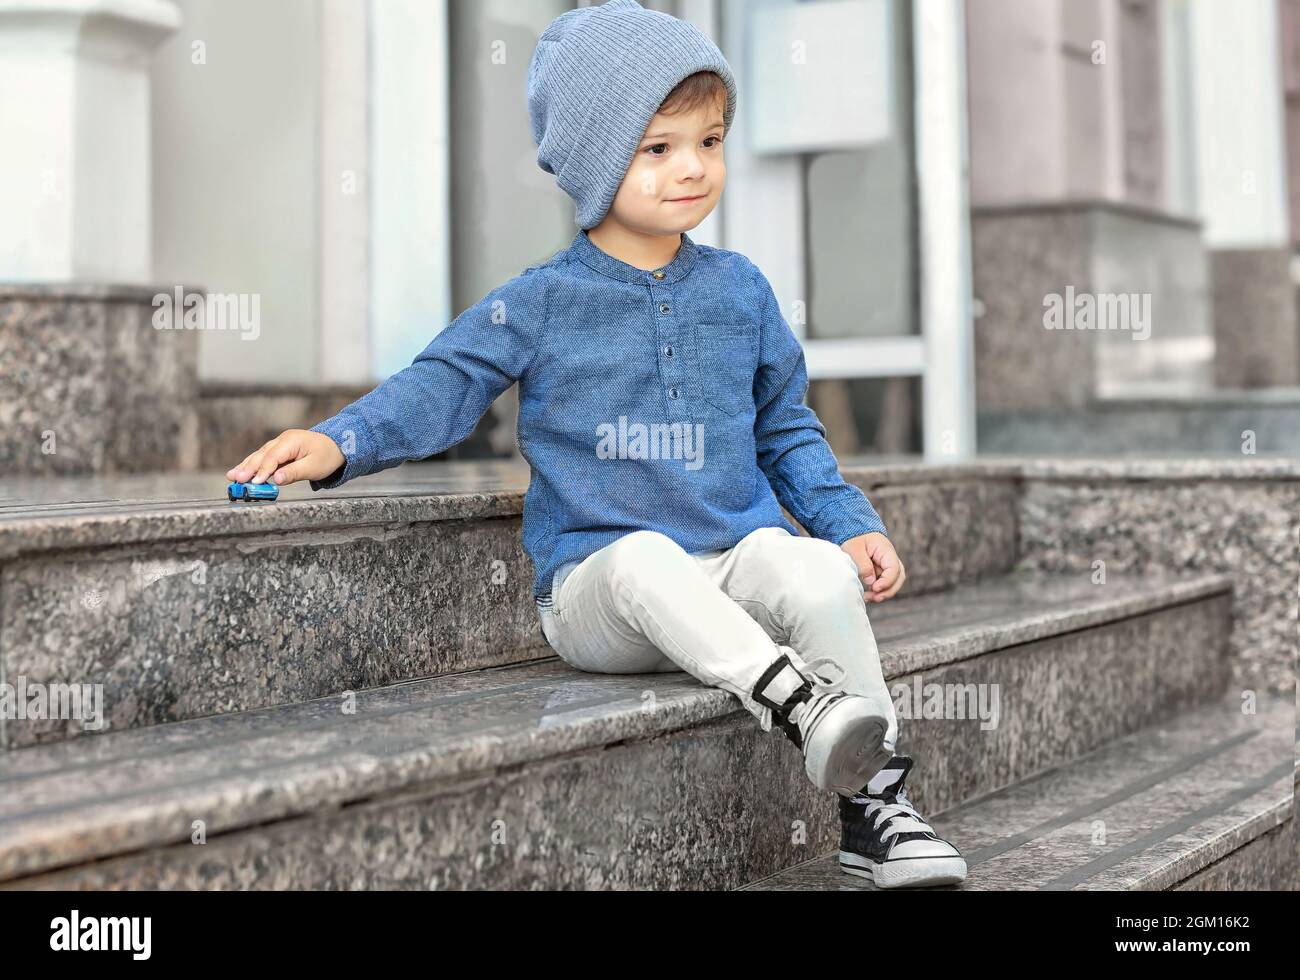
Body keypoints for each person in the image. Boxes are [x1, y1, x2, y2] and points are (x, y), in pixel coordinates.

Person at [226, 0, 965, 889]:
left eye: (710, 140)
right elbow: (444, 383)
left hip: (728, 577)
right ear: (596, 160)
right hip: (599, 594)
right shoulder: (543, 299)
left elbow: (786, 427)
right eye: (658, 149)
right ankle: (803, 707)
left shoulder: (742, 291)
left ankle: (875, 810)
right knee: (643, 555)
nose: (691, 168)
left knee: (807, 566)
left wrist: (846, 523)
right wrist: (339, 441)